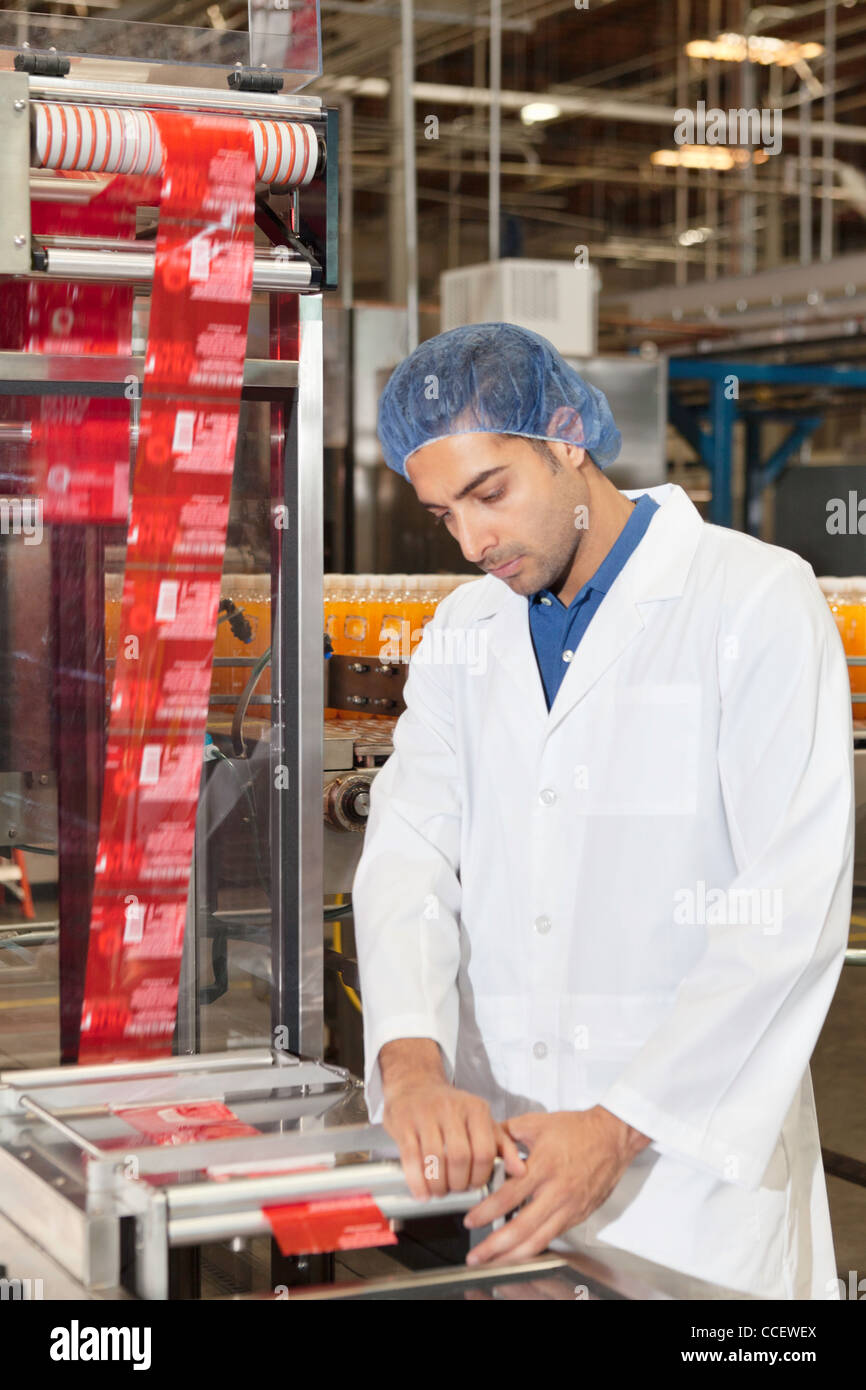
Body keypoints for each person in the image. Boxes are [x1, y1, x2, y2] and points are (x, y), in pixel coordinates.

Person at [351, 321, 854, 1298]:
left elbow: (786, 907)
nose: (472, 540)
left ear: (565, 435)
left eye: (489, 493)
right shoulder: (466, 627)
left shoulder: (751, 601)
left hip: (692, 1182)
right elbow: (411, 847)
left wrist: (623, 1121)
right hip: (513, 1172)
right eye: (441, 513)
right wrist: (410, 1061)